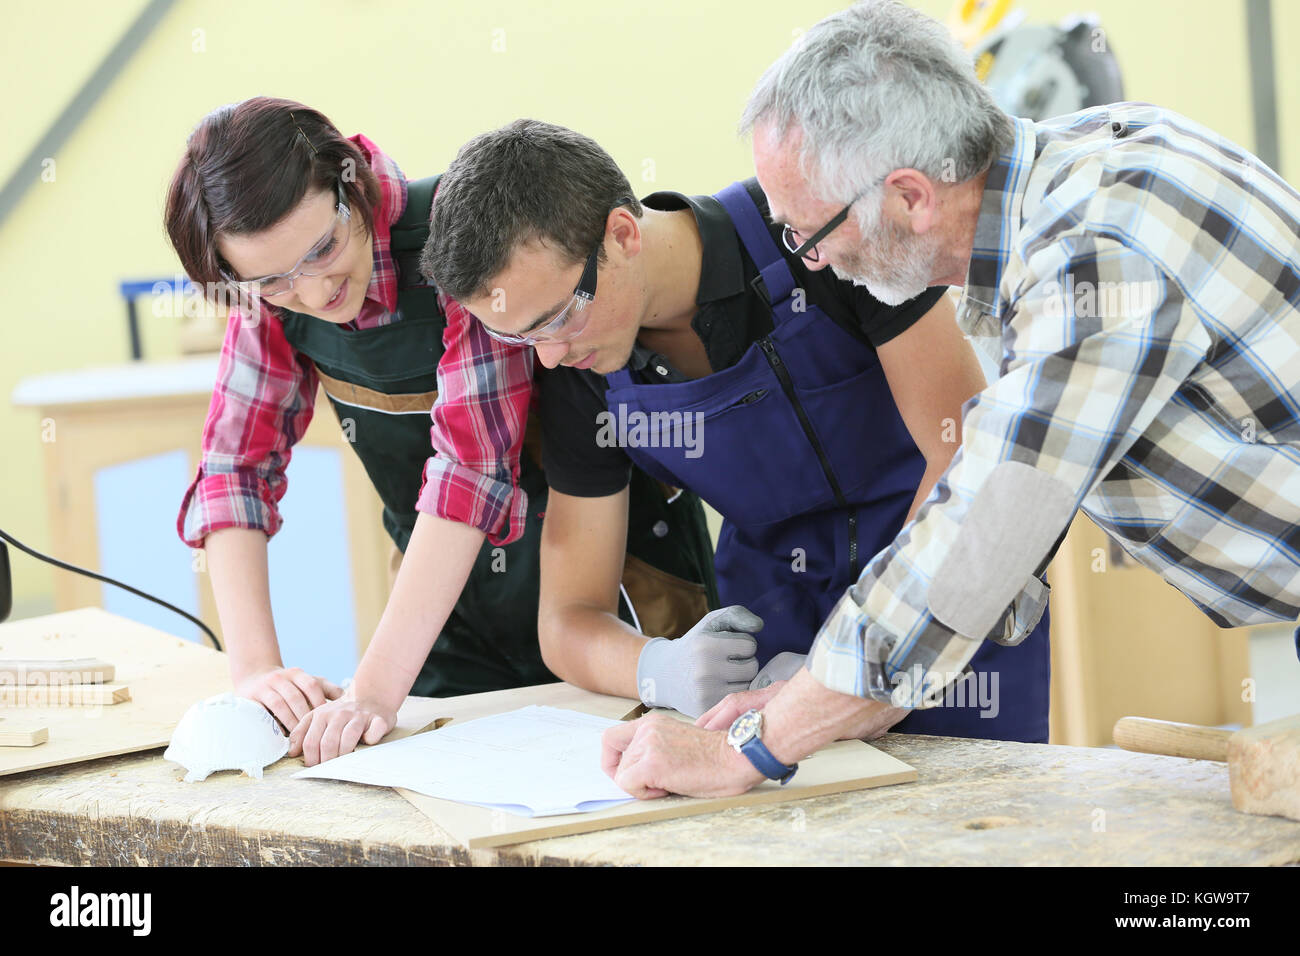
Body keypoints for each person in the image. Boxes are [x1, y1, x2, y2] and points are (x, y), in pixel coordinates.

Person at [598, 0, 1300, 800]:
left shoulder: (1096, 258)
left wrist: (752, 748)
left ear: (910, 197)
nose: (815, 265)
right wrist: (830, 700)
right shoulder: (1089, 164)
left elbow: (983, 535)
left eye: (809, 233)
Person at [421, 119, 1052, 738]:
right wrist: (655, 667)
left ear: (621, 234)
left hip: (947, 608)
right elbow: (567, 619)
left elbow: (966, 460)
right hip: (774, 636)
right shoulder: (584, 368)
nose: (548, 356)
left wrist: (853, 660)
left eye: (556, 317)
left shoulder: (815, 232)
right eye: (517, 333)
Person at [164, 98, 716, 766]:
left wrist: (370, 690)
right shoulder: (265, 293)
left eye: (323, 250)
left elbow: (469, 469)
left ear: (351, 183)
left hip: (615, 597)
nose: (312, 294)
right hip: (441, 619)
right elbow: (234, 471)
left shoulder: (458, 237)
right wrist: (255, 675)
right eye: (274, 281)